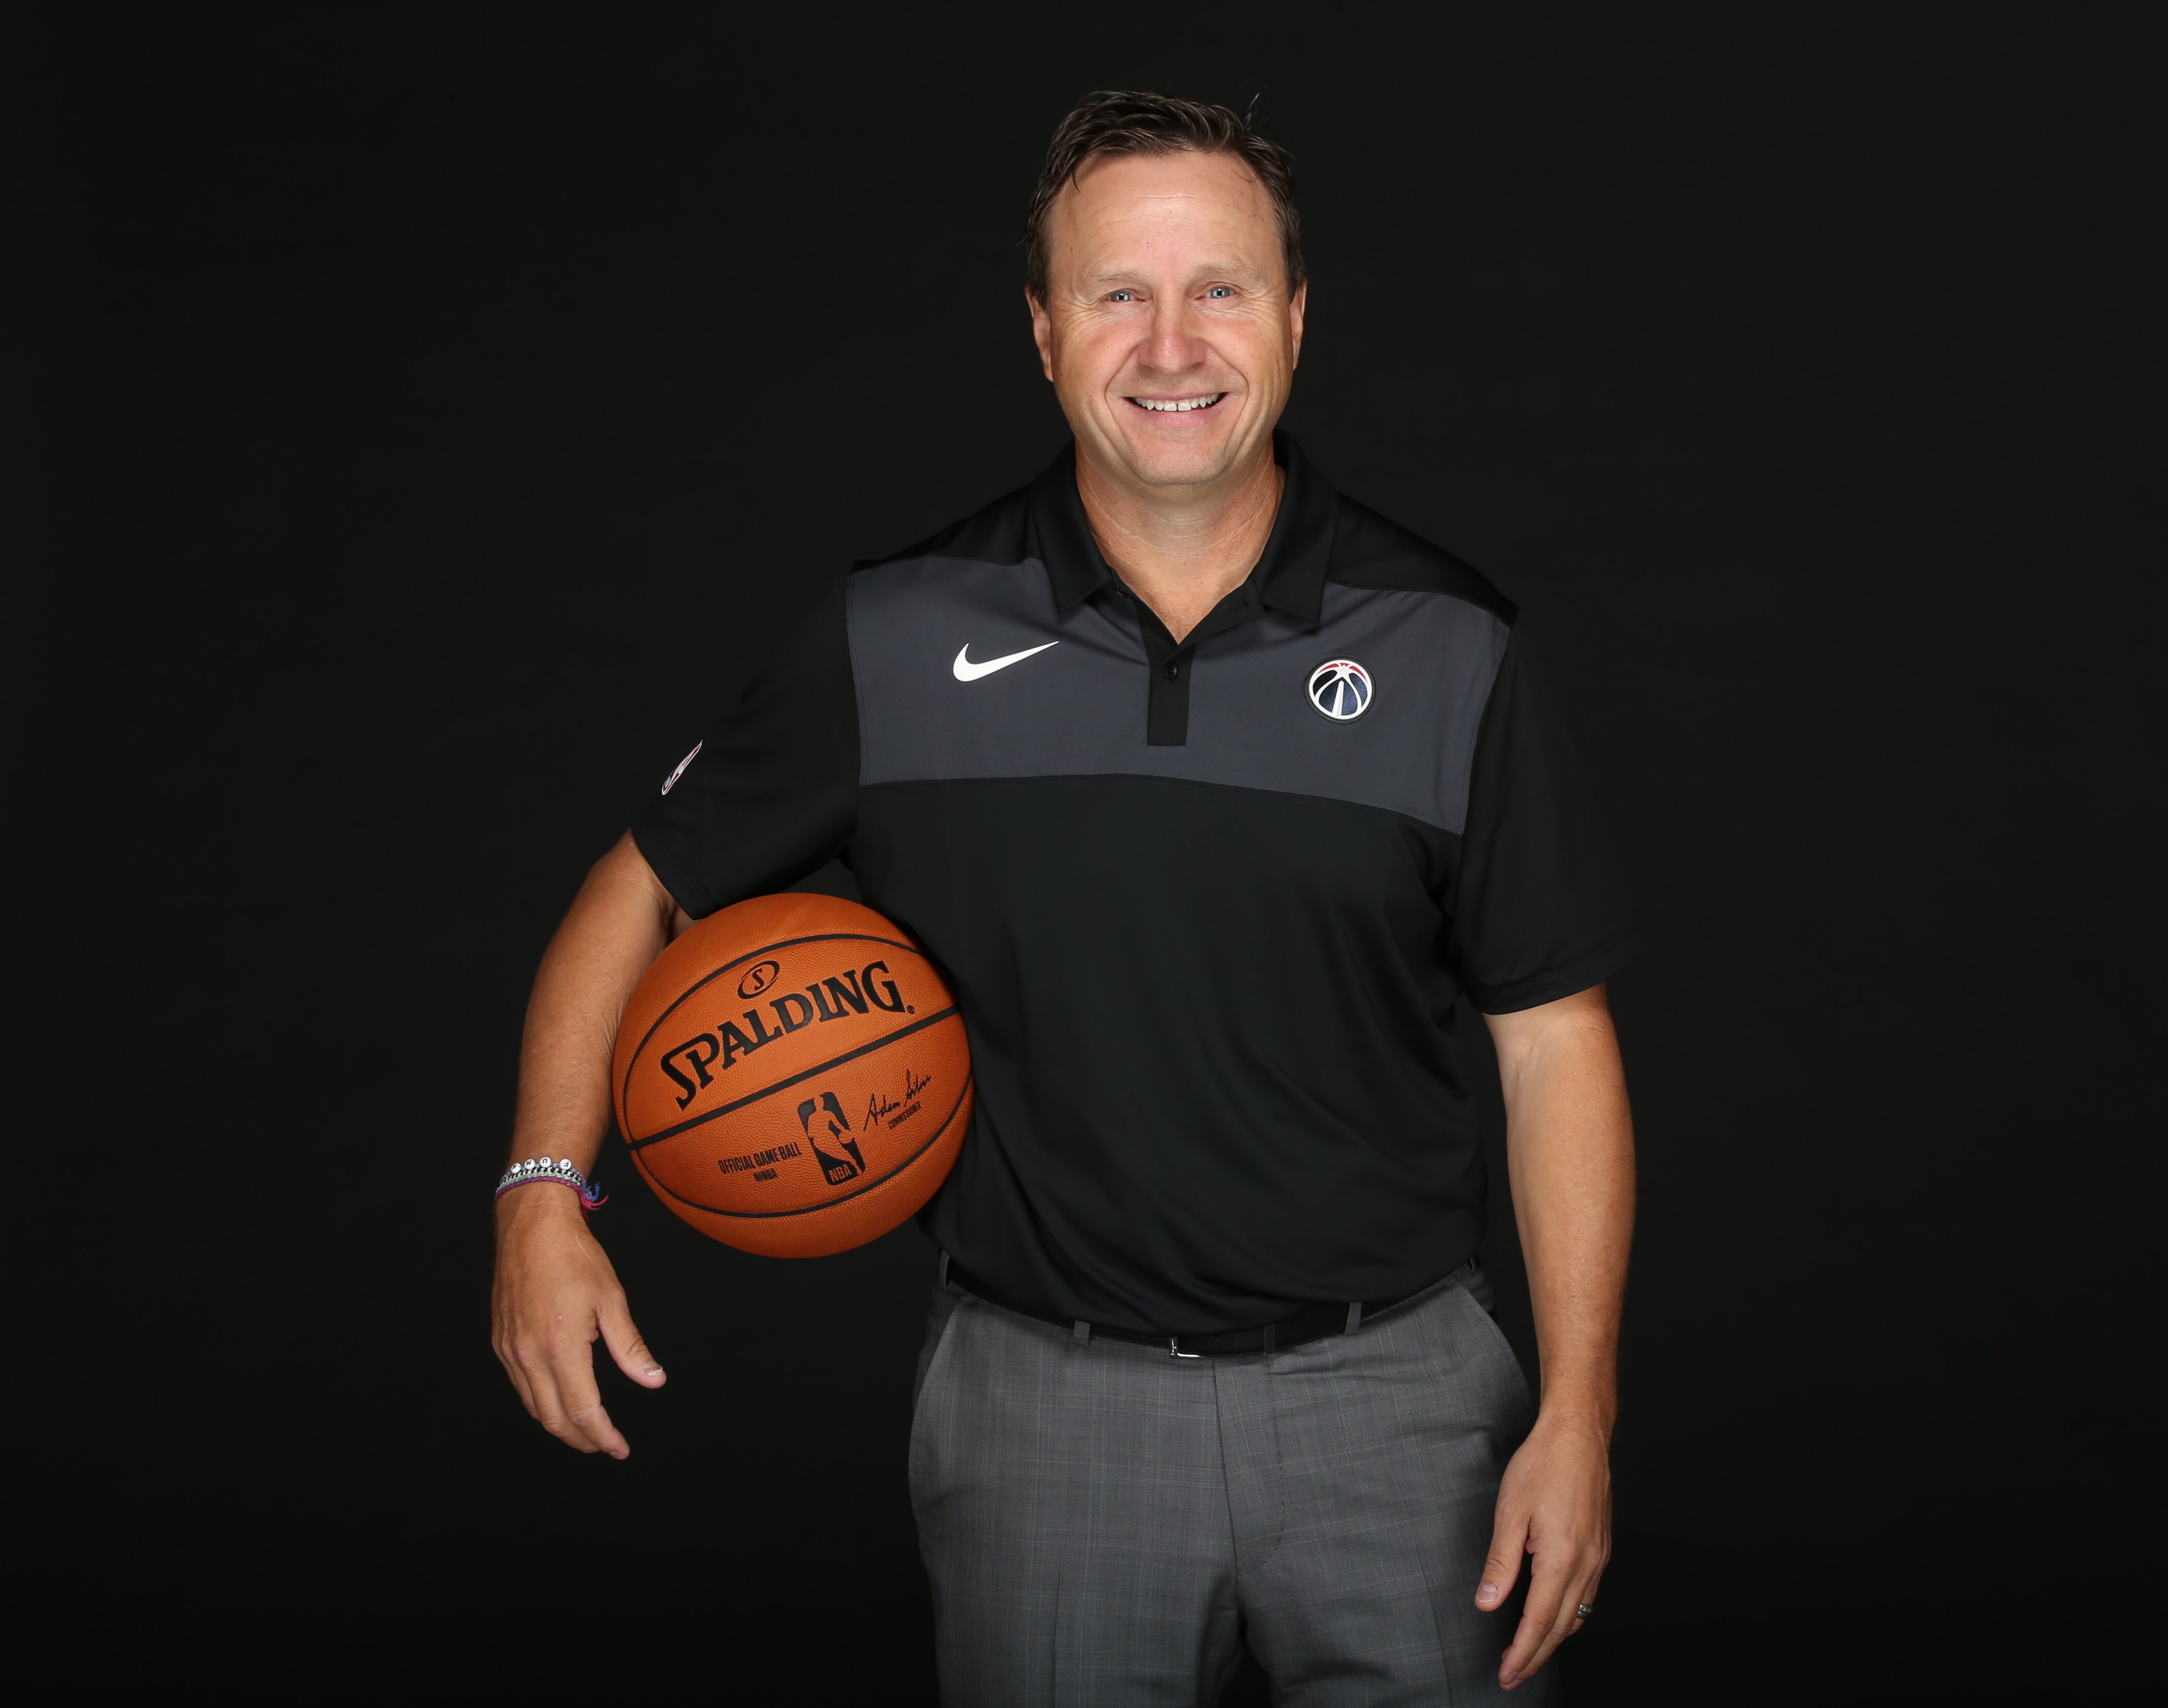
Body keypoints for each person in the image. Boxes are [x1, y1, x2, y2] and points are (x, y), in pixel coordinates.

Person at [490, 91, 1638, 1705]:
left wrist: (1576, 1416)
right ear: (1042, 331)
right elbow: (638, 888)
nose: (1172, 347)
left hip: (1402, 1408)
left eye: (1220, 288)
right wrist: (545, 1189)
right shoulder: (898, 639)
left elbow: (1554, 1042)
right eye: (1118, 294)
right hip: (1047, 1411)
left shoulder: (1453, 647)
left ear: (1297, 318)